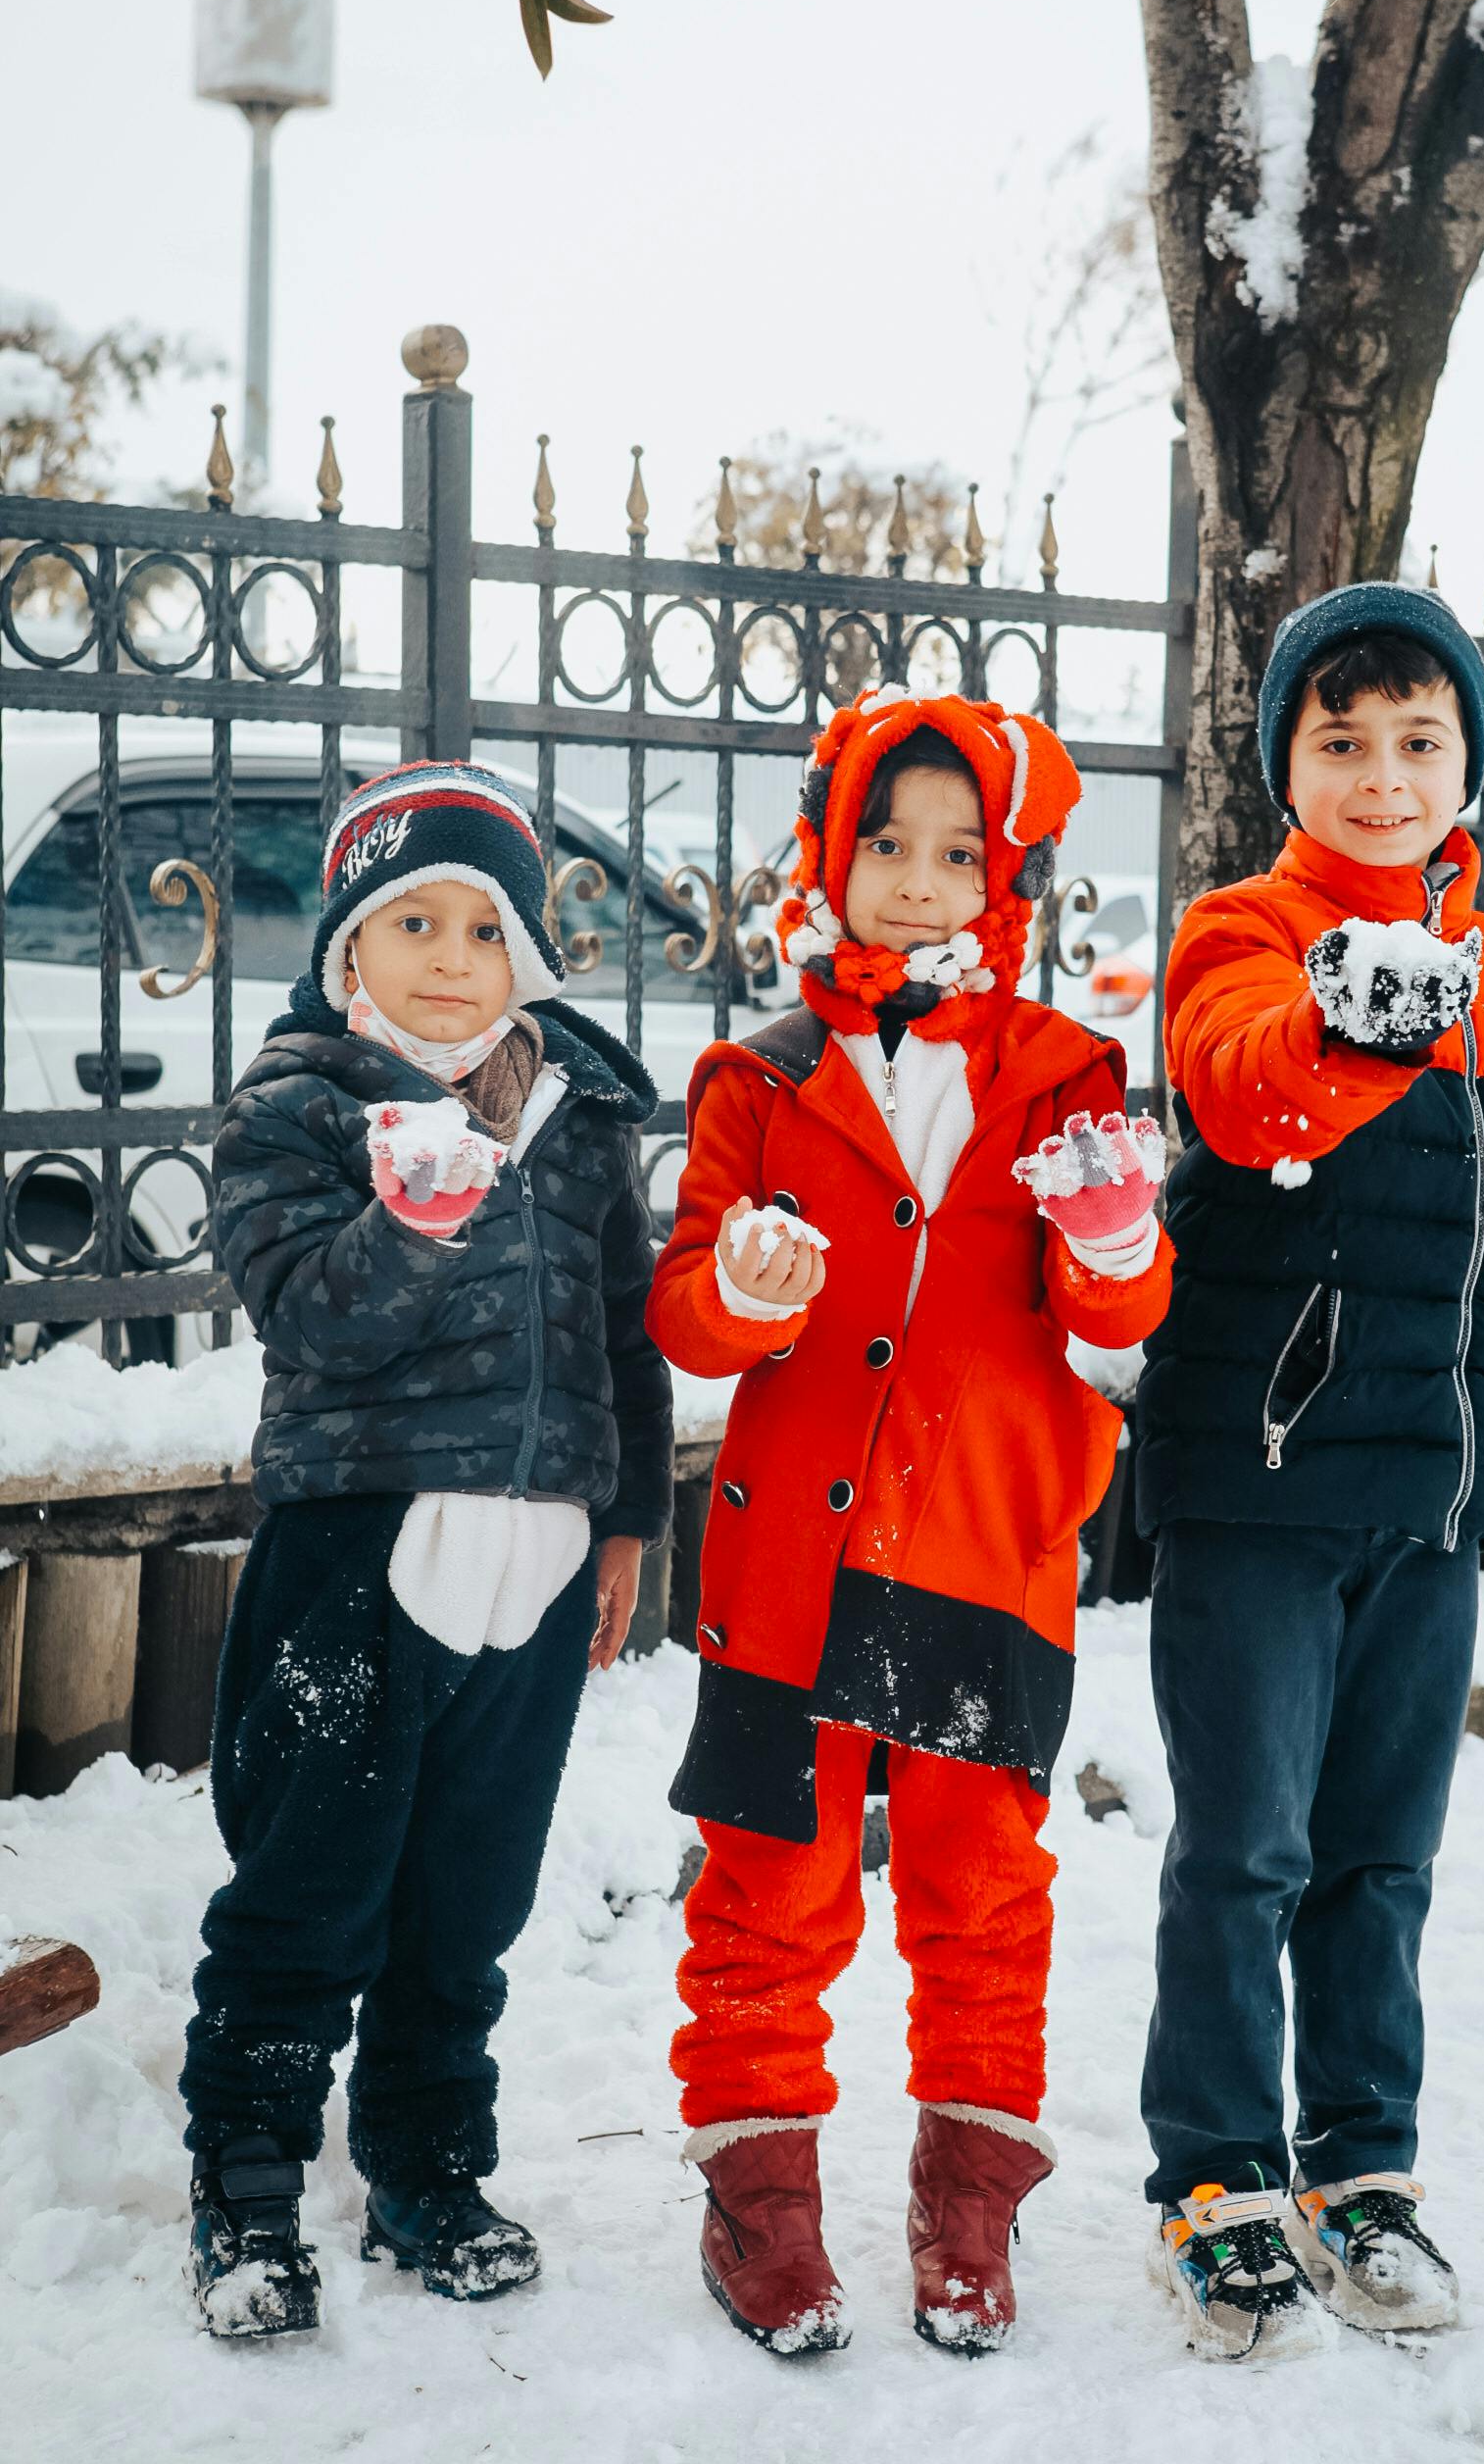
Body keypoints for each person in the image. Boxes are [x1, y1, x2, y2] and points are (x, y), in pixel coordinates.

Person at [1134, 583, 1484, 2362]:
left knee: (1384, 1856)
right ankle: (1215, 2177)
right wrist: (1352, 1022)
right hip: (1263, 1481)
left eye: (1418, 741)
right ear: (1288, 762)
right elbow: (1243, 1100)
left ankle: (1366, 2170)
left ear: (1468, 764)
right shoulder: (1244, 934)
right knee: (1249, 1850)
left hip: (1434, 1495)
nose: (1382, 775)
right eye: (1341, 741)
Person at [647, 687, 1173, 2359]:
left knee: (980, 1893)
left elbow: (1121, 1309)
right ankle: (762, 2200)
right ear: (830, 854)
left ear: (1006, 882)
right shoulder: (759, 1074)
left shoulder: (1065, 1072)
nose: (921, 880)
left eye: (961, 853)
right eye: (888, 843)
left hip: (984, 1548)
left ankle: (967, 2208)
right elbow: (684, 1315)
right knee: (767, 1890)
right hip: (789, 1562)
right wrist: (736, 1294)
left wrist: (1106, 1235)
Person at [179, 759, 672, 2338]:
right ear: (349, 949)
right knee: (311, 1883)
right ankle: (248, 2172)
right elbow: (310, 1314)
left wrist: (632, 1519)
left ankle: (427, 2160)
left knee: (470, 1893)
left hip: (535, 1563)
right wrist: (409, 1217)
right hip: (360, 1547)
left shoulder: (579, 1118)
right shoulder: (298, 1109)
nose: (452, 956)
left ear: (526, 950)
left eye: (483, 925)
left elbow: (622, 1334)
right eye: (413, 922)